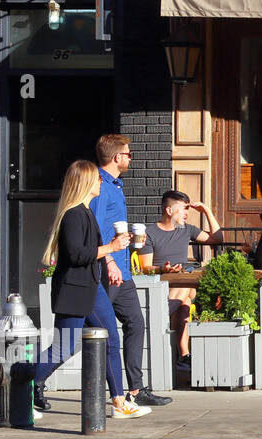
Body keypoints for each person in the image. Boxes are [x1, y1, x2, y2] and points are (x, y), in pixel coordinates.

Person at [29, 161, 150, 419]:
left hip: (89, 288)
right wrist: (112, 248)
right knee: (64, 347)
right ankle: (24, 387)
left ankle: (119, 401)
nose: (100, 182)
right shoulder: (74, 214)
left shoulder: (85, 213)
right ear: (86, 183)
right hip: (75, 290)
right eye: (97, 179)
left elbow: (88, 252)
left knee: (110, 339)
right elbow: (75, 254)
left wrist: (110, 253)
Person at [90, 134, 171, 408]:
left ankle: (135, 389)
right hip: (108, 270)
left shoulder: (116, 185)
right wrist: (110, 260)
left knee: (135, 323)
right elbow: (97, 226)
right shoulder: (100, 184)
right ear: (117, 158)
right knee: (86, 333)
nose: (130, 158)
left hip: (123, 271)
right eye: (128, 154)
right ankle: (36, 382)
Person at [140, 190, 224, 372]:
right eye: (184, 209)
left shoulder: (187, 229)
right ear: (169, 211)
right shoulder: (150, 233)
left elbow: (217, 238)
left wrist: (207, 211)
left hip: (184, 280)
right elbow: (145, 268)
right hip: (162, 283)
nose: (187, 214)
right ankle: (184, 356)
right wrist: (163, 269)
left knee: (186, 286)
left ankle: (159, 320)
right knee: (184, 301)